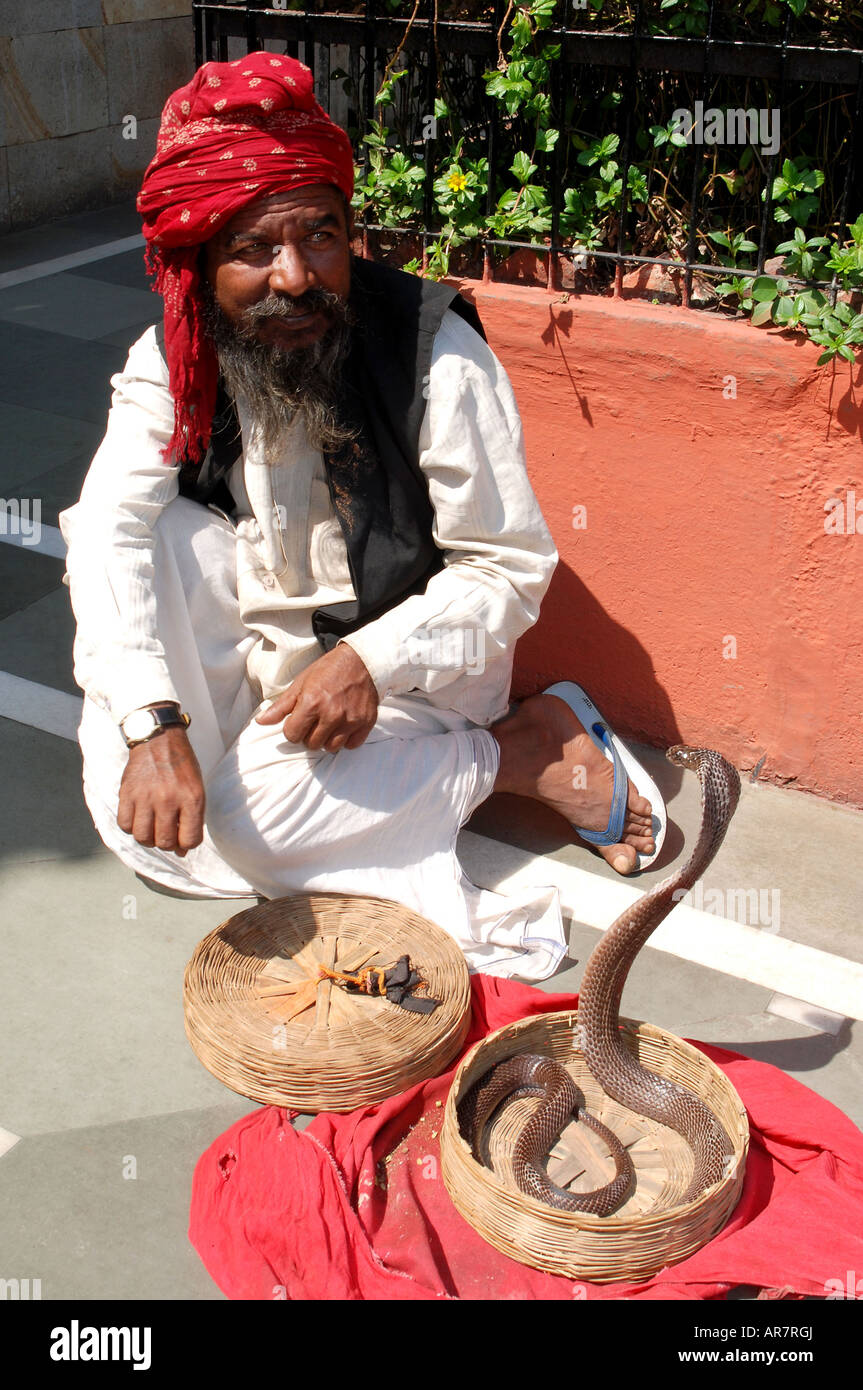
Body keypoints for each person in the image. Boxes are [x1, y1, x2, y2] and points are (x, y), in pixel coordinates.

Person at [60, 52, 657, 981]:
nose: (296, 278)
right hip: (265, 650)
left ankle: (519, 748)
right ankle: (322, 787)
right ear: (199, 264)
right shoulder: (174, 352)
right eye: (255, 250)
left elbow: (508, 566)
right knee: (143, 784)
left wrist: (366, 660)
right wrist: (151, 723)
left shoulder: (435, 353)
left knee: (247, 833)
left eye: (322, 238)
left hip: (410, 672)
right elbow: (107, 526)